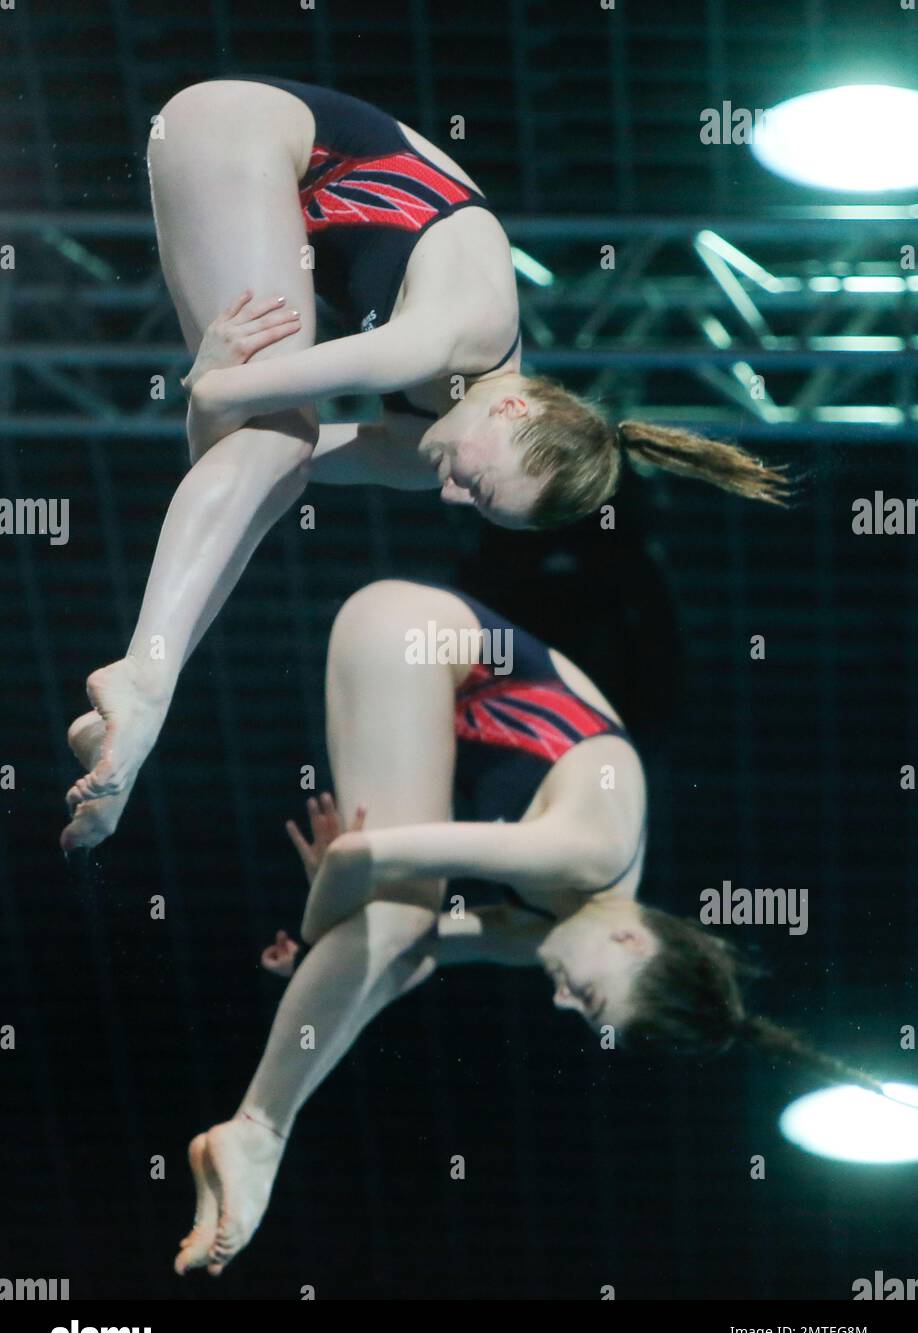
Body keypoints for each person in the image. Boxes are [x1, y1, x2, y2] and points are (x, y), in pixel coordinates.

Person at [61, 76, 787, 852]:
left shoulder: (422, 454)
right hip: (249, 129)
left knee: (281, 452)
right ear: (513, 409)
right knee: (277, 435)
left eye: (474, 504)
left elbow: (227, 455)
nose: (450, 495)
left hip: (268, 188)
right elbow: (227, 405)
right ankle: (147, 682)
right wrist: (210, 390)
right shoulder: (468, 327)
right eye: (477, 484)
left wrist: (211, 394)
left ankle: (149, 681)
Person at [172, 579, 878, 1277]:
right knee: (403, 908)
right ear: (631, 942)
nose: (562, 1000)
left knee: (402, 929)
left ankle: (260, 1132)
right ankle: (260, 1131)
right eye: (591, 998)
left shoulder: (548, 932)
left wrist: (316, 966)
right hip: (414, 633)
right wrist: (326, 921)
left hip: (430, 684)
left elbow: (408, 953)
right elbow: (359, 862)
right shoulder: (591, 851)